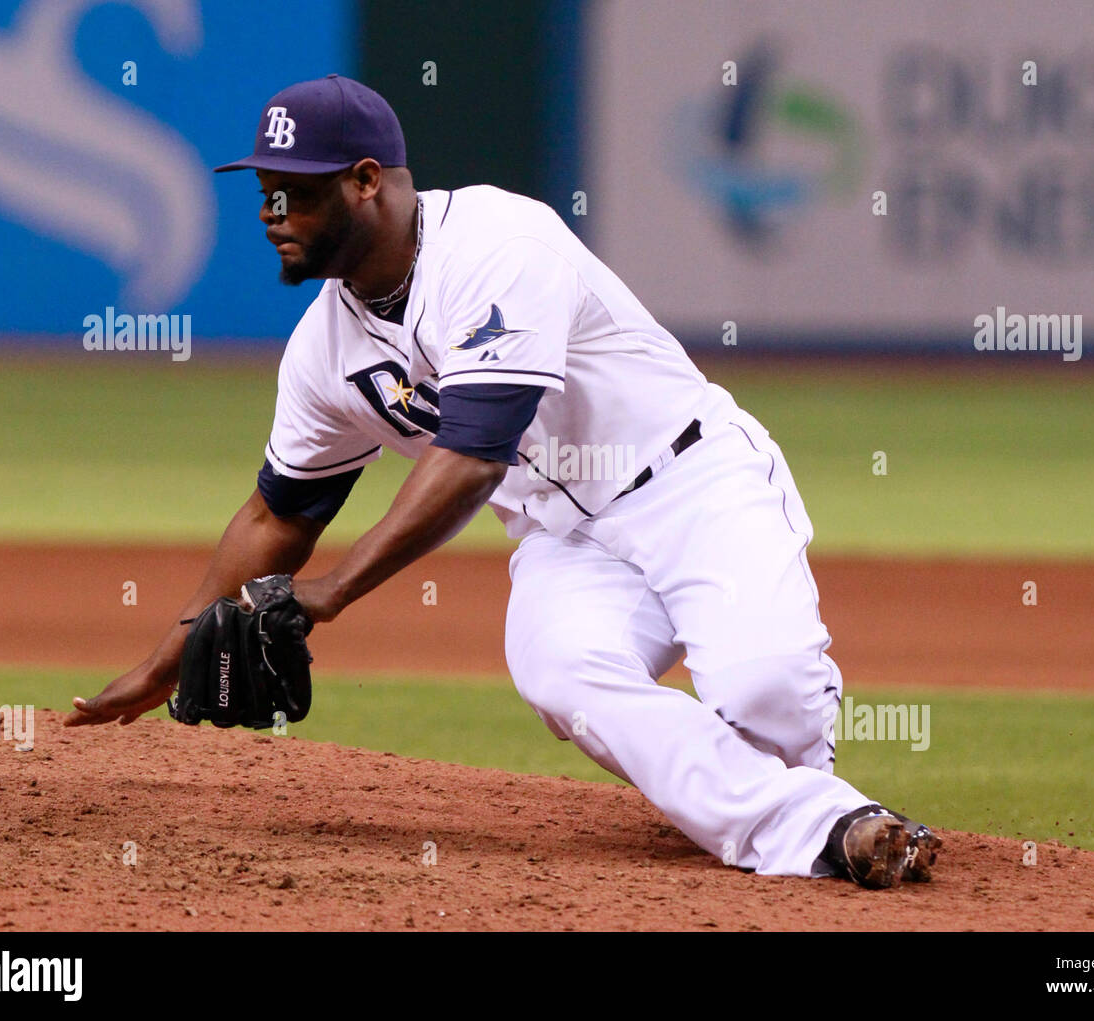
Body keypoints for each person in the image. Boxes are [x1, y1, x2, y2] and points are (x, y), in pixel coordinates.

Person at [65, 75, 940, 888]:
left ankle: (791, 797)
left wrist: (327, 594)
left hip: (694, 482)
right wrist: (162, 660)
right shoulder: (321, 352)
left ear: (367, 180)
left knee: (763, 700)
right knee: (559, 666)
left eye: (295, 189)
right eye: (264, 188)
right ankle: (825, 830)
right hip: (566, 537)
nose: (269, 210)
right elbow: (277, 513)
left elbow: (475, 454)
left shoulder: (495, 242)